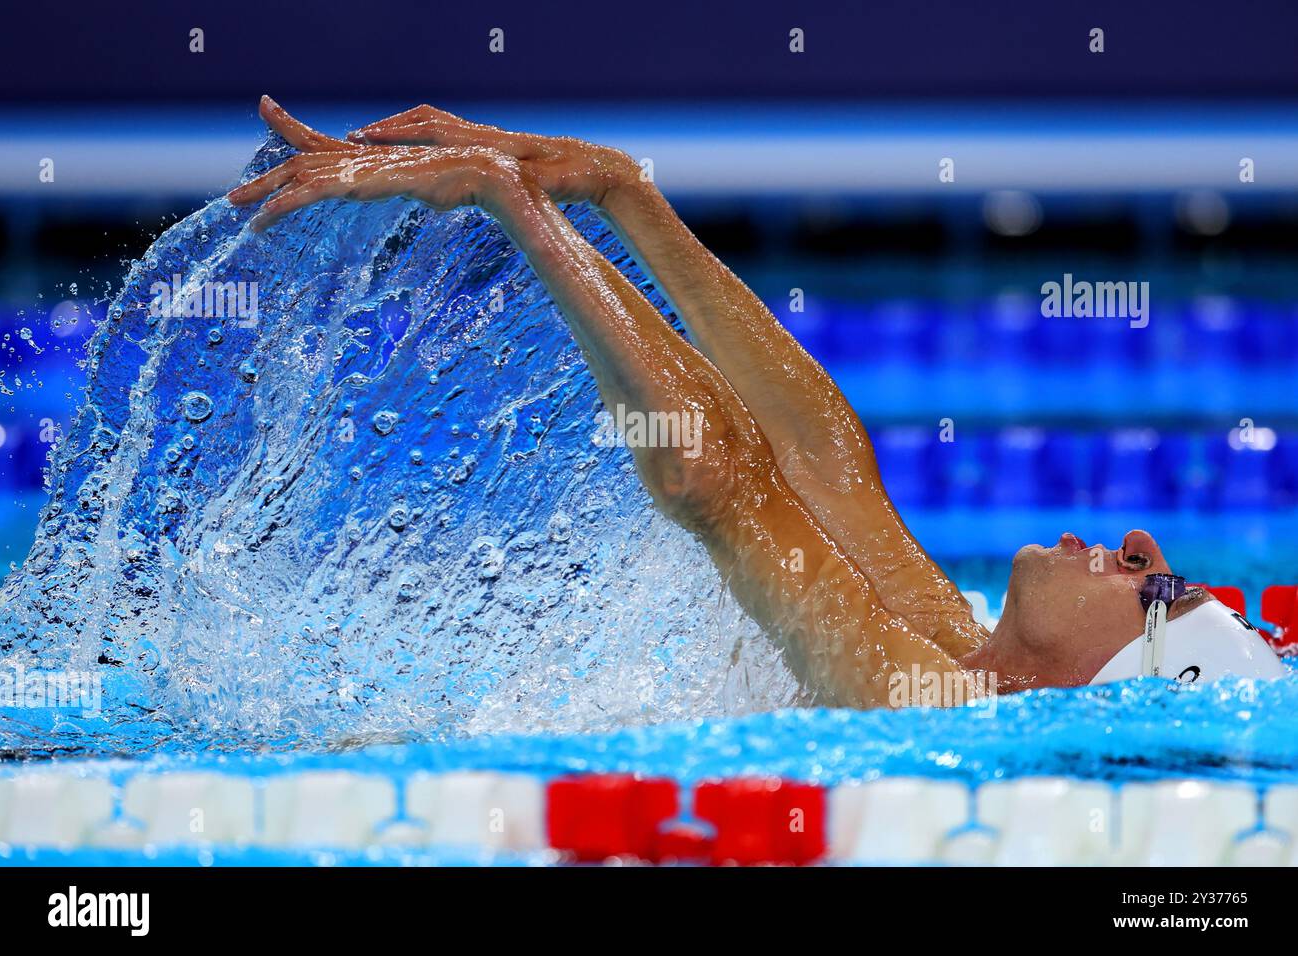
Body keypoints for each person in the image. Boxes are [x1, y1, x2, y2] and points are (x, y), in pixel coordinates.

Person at [228, 97, 1285, 709]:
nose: (1140, 544)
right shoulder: (958, 651)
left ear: (1116, 676)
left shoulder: (933, 714)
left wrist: (513, 203)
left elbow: (715, 482)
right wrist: (619, 193)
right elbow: (823, 465)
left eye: (1155, 590)